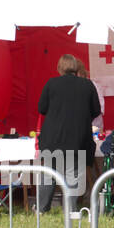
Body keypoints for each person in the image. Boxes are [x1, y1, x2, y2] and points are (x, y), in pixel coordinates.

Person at [36, 53, 101, 211]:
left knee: (49, 174)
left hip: (53, 138)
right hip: (78, 138)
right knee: (73, 175)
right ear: (75, 68)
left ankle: (41, 210)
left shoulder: (51, 84)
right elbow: (96, 110)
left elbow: (42, 109)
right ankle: (70, 211)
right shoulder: (87, 85)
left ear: (59, 68)